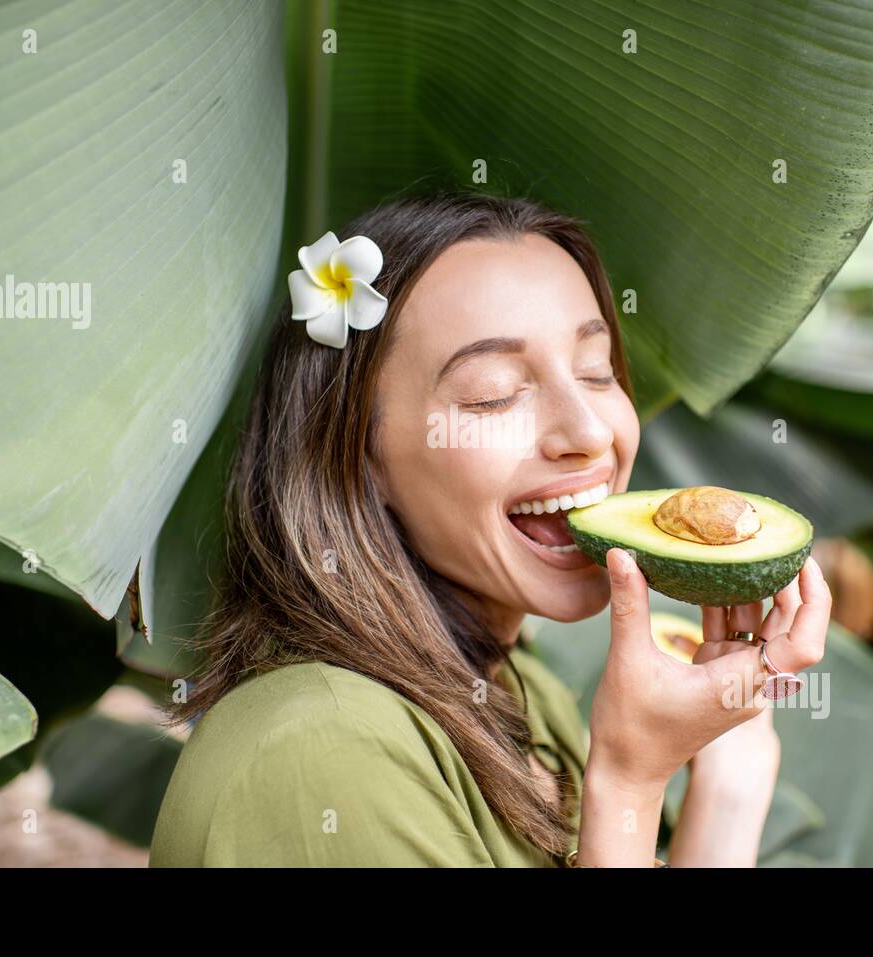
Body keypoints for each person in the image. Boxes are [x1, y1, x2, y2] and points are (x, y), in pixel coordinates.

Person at [149, 189, 831, 867]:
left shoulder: (529, 703)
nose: (590, 432)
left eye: (596, 372)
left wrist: (730, 786)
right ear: (356, 455)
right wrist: (631, 776)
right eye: (494, 393)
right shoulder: (320, 753)